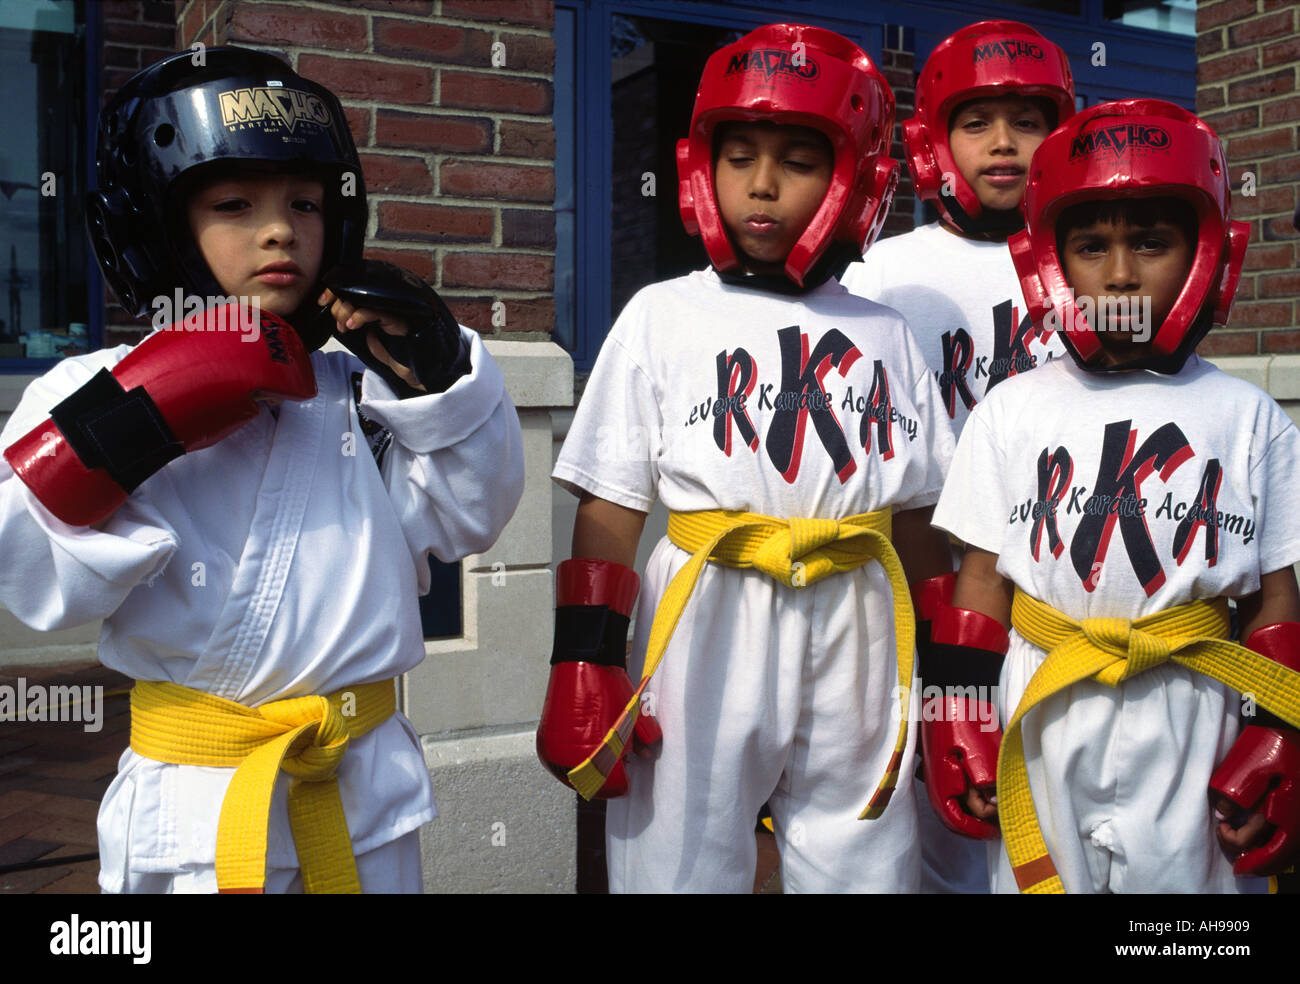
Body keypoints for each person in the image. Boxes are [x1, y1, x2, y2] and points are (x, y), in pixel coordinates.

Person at [0, 48, 523, 893]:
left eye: (305, 204)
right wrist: (140, 419)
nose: (280, 230)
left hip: (361, 790)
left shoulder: (367, 389)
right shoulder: (86, 390)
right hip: (198, 807)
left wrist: (443, 377)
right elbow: (39, 580)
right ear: (163, 226)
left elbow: (471, 517)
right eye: (235, 204)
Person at [539, 23, 955, 893]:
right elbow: (611, 504)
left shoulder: (886, 333)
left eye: (798, 159)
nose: (761, 184)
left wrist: (952, 682)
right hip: (703, 610)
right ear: (703, 167)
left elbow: (916, 517)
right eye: (740, 156)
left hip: (863, 615)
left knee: (868, 857)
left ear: (853, 179)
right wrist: (585, 661)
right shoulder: (662, 313)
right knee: (678, 856)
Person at [928, 98, 1300, 893]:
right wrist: (954, 707)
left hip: (1192, 707)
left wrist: (1281, 728)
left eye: (1152, 243)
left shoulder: (1249, 418)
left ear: (1206, 253)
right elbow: (982, 580)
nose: (1122, 274)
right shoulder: (1011, 408)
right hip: (1044, 698)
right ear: (1049, 261)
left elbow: (1274, 595)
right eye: (1092, 246)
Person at [840, 18, 1076, 895]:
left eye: (1029, 119)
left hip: (1057, 598)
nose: (1006, 143)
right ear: (933, 140)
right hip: (914, 593)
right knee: (934, 826)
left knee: (1049, 824)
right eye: (978, 121)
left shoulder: (1091, 267)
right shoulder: (879, 275)